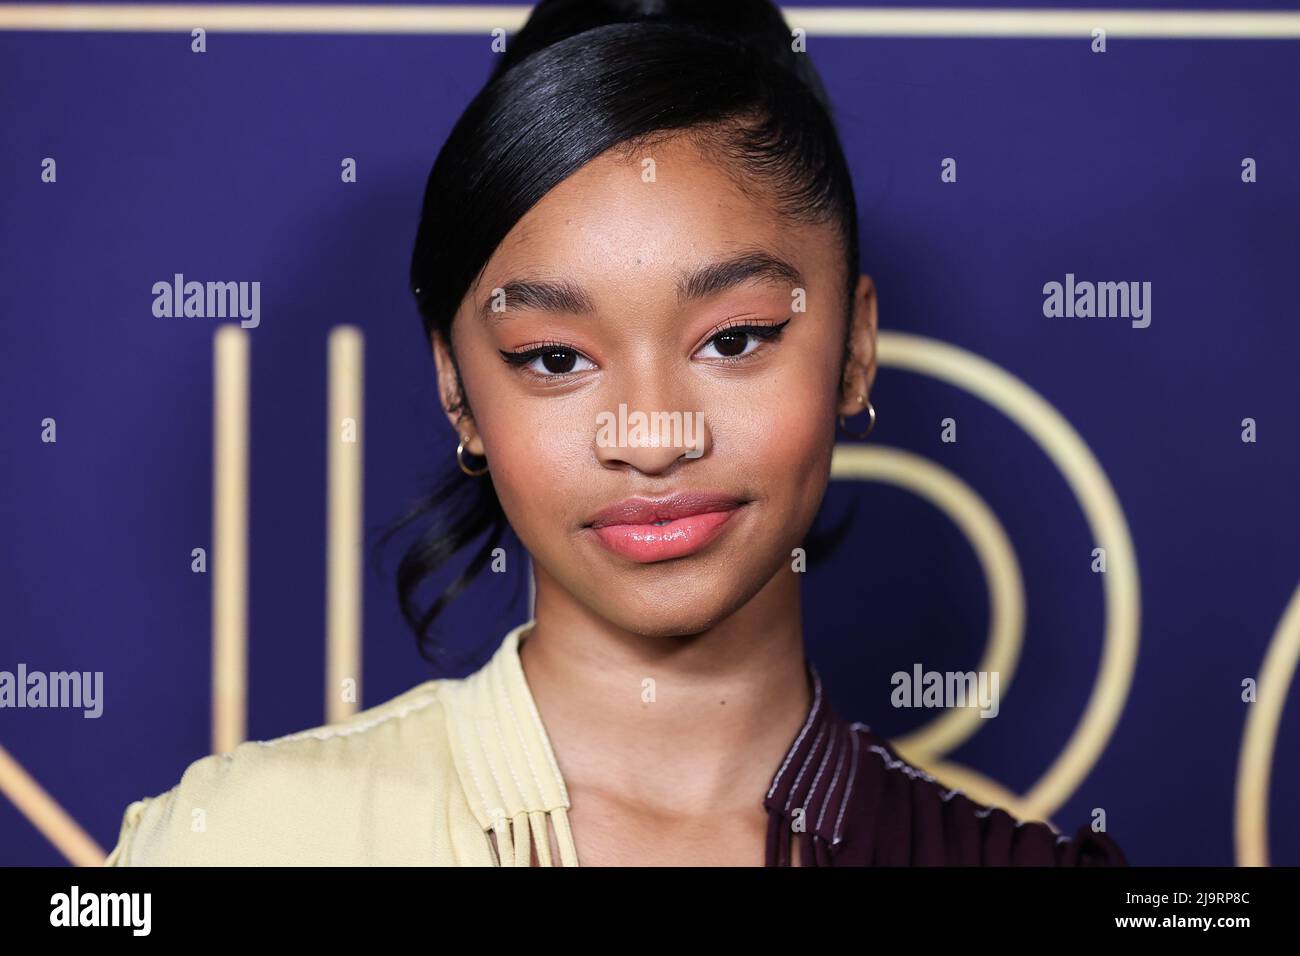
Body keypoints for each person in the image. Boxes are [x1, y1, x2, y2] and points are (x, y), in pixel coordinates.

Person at [105, 0, 1126, 867]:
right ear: (456, 385)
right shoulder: (239, 842)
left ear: (854, 347)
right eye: (554, 357)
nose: (650, 435)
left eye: (733, 338)